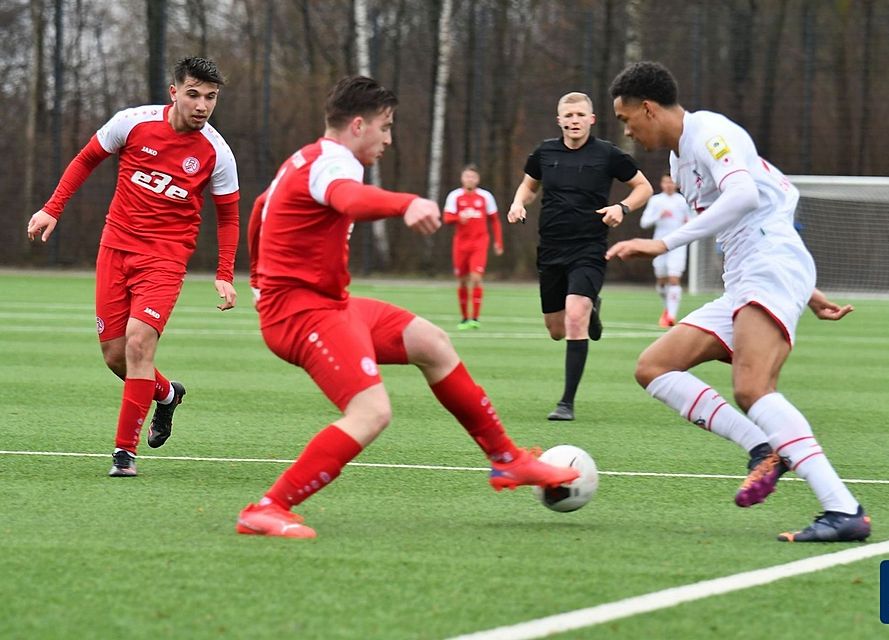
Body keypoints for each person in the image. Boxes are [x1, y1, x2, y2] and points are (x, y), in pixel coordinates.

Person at [238, 76, 579, 538]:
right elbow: (348, 199)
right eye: (385, 127)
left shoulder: (308, 158)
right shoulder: (332, 164)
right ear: (358, 125)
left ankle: (507, 460)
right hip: (301, 315)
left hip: (327, 304)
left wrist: (259, 282)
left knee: (431, 342)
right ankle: (268, 507)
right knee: (371, 412)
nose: (389, 139)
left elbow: (262, 206)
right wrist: (406, 204)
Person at [606, 61, 871, 542]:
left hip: (769, 265)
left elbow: (745, 196)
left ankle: (843, 509)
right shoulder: (677, 162)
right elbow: (747, 211)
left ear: (648, 108)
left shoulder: (711, 132)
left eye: (626, 120)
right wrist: (808, 292)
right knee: (654, 367)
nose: (627, 131)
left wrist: (664, 243)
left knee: (752, 388)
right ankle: (763, 447)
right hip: (752, 275)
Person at [26, 57, 240, 478]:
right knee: (115, 356)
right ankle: (167, 395)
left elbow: (229, 217)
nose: (202, 105)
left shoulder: (218, 152)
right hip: (115, 249)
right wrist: (52, 208)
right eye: (193, 94)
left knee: (139, 345)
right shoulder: (132, 123)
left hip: (165, 259)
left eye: (210, 97)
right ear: (174, 92)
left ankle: (124, 454)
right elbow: (85, 159)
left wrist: (225, 274)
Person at [507, 92, 653, 422]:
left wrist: (622, 207)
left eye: (580, 115)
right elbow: (529, 187)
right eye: (568, 115)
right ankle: (592, 308)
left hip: (588, 248)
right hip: (551, 249)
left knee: (575, 316)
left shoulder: (608, 154)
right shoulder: (544, 152)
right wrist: (518, 204)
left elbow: (644, 187)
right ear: (559, 120)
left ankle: (566, 403)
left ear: (591, 120)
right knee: (556, 329)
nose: (574, 121)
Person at [442, 164, 503, 330]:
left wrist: (498, 241)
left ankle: (475, 318)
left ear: (478, 179)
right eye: (467, 176)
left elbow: (495, 220)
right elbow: (446, 218)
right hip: (461, 244)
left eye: (473, 177)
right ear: (462, 178)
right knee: (462, 281)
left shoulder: (485, 197)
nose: (470, 179)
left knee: (476, 278)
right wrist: (458, 218)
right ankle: (464, 318)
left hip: (479, 243)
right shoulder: (454, 196)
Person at [639, 174, 693, 327]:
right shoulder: (656, 200)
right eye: (666, 182)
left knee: (674, 278)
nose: (669, 185)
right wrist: (658, 215)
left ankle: (671, 316)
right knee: (662, 282)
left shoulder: (683, 201)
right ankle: (667, 309)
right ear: (662, 184)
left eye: (672, 182)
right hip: (659, 244)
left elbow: (693, 220)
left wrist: (688, 222)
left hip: (678, 245)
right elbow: (644, 223)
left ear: (677, 184)